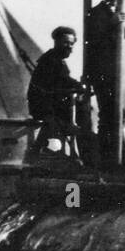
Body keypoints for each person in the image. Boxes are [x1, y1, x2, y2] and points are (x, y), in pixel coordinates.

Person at [84, 0, 125, 165]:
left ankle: (115, 151)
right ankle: (106, 154)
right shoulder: (96, 13)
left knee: (117, 112)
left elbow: (122, 35)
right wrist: (113, 23)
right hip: (102, 72)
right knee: (108, 113)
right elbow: (96, 40)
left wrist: (118, 21)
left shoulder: (114, 12)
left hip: (114, 73)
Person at [27, 26, 88, 159]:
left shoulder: (55, 60)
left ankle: (73, 154)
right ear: (57, 42)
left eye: (72, 44)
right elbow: (61, 82)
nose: (69, 47)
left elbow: (63, 82)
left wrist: (78, 87)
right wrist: (80, 87)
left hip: (50, 105)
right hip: (44, 107)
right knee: (82, 117)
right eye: (66, 43)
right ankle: (77, 157)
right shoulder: (50, 61)